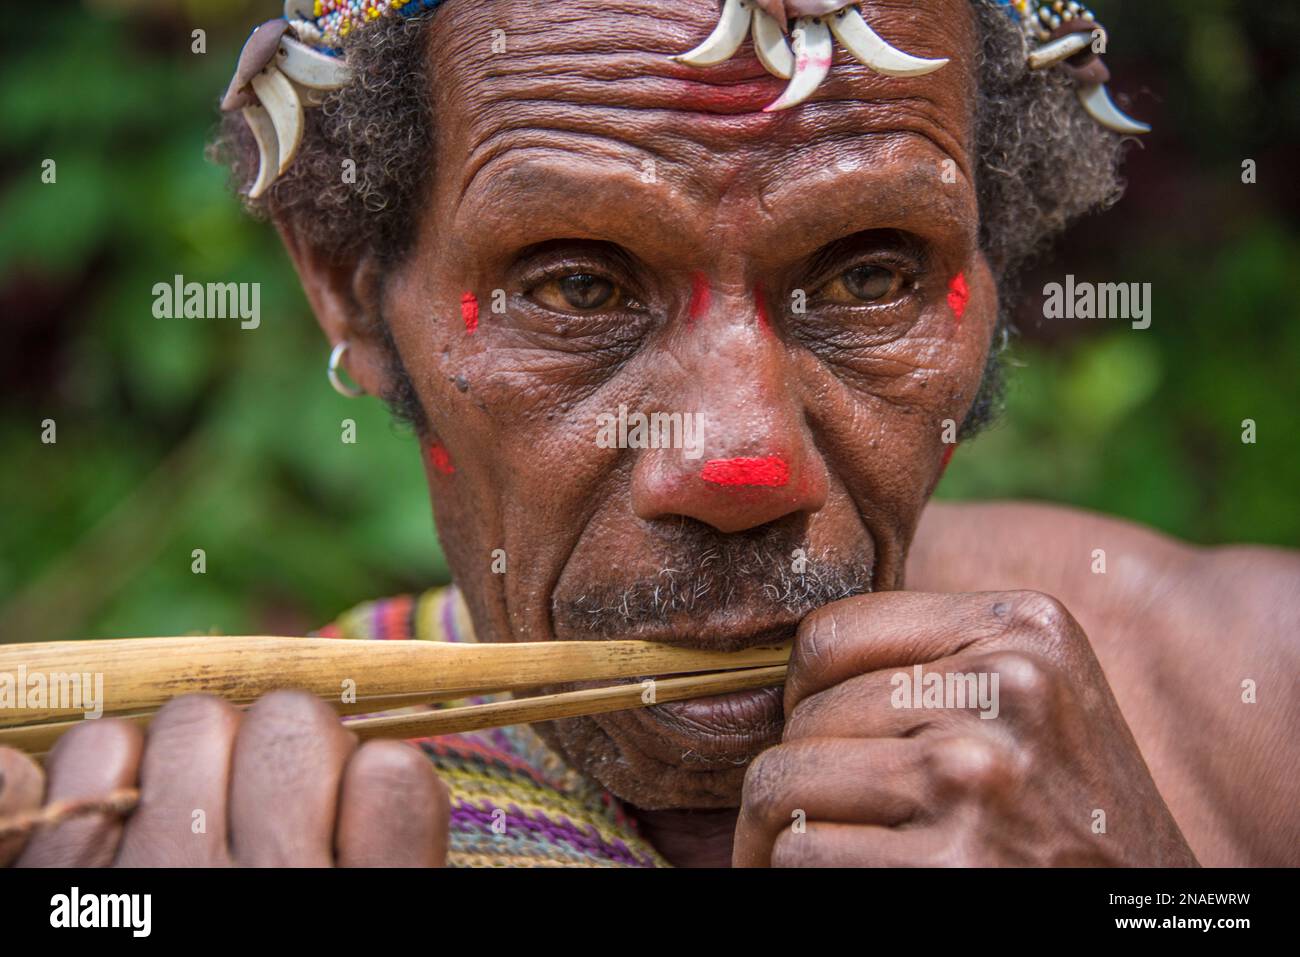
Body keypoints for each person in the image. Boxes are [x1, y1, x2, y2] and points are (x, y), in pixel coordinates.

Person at [1, 0, 1294, 868]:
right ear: (348, 277)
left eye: (865, 276)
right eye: (578, 285)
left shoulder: (1253, 706)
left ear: (994, 267)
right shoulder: (167, 818)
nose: (740, 465)